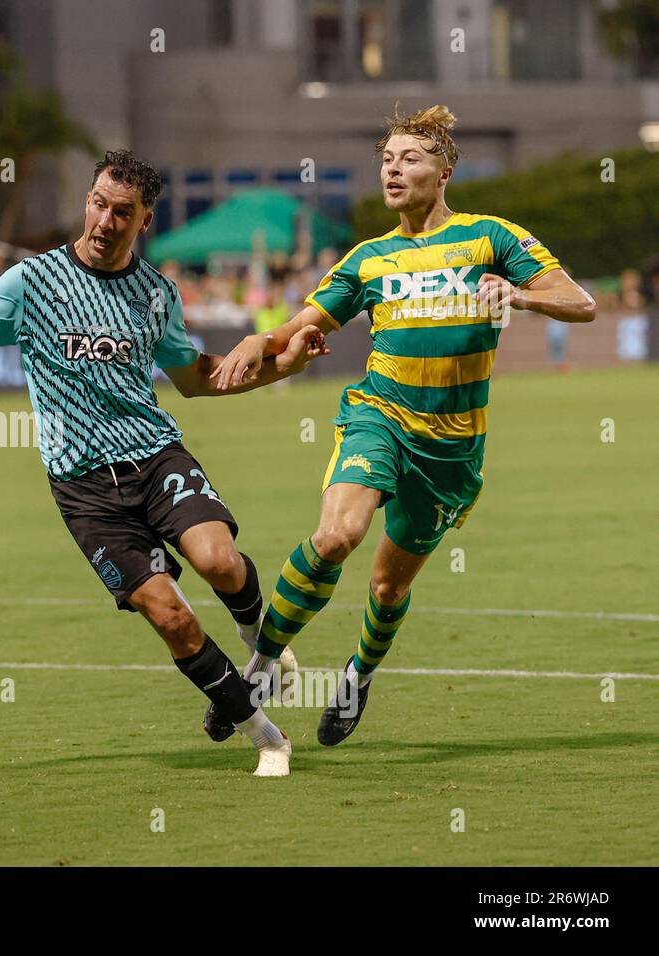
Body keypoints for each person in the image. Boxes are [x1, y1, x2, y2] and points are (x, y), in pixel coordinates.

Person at [0, 149, 328, 776]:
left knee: (217, 560)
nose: (105, 220)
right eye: (98, 204)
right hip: (84, 490)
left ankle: (258, 643)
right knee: (171, 617)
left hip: (155, 456)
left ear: (144, 220)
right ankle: (267, 736)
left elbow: (199, 379)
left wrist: (283, 367)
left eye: (121, 212)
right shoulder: (33, 282)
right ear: (87, 202)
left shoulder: (156, 293)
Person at [214, 105, 596, 745]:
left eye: (410, 158)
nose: (394, 169)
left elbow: (579, 302)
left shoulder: (491, 238)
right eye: (386, 159)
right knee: (336, 537)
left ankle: (358, 676)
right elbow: (305, 323)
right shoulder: (368, 259)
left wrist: (520, 295)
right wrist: (263, 338)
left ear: (443, 171)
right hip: (378, 417)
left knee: (388, 587)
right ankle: (260, 667)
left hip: (450, 449)